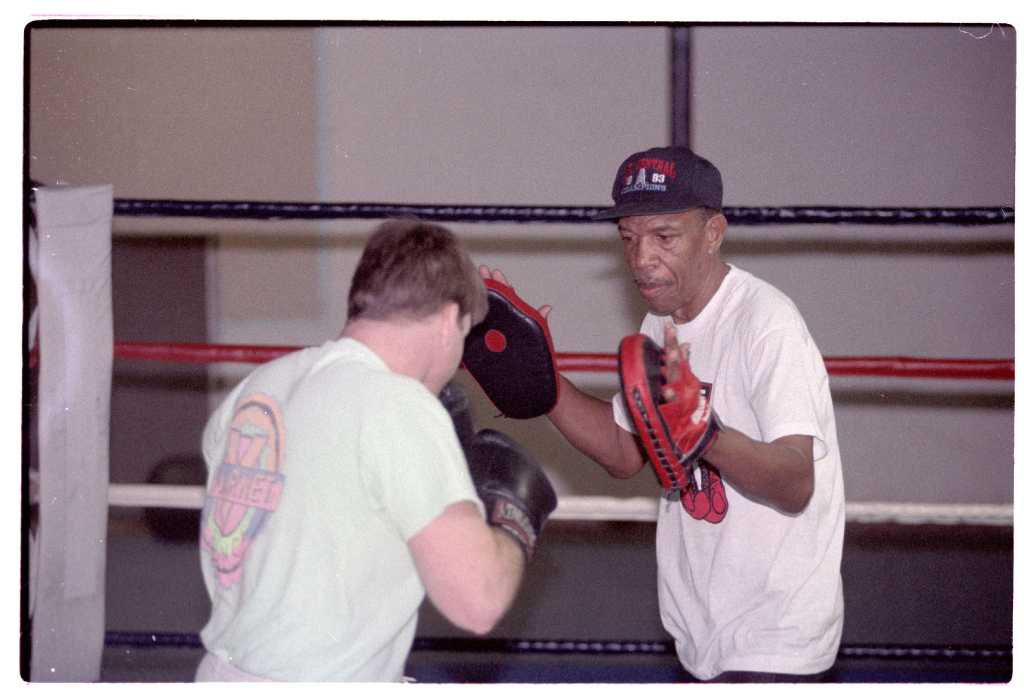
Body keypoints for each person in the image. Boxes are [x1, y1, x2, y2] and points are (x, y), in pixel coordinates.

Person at [481, 145, 845, 682]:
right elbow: (625, 451)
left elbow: (795, 482)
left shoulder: (766, 322)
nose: (641, 258)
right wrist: (541, 378)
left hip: (774, 633)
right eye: (628, 238)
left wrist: (704, 433)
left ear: (713, 232)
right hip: (703, 632)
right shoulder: (662, 326)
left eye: (664, 237)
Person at [195, 219, 556, 682]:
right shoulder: (397, 405)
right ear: (450, 318)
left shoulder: (258, 387)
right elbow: (477, 603)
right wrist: (513, 518)